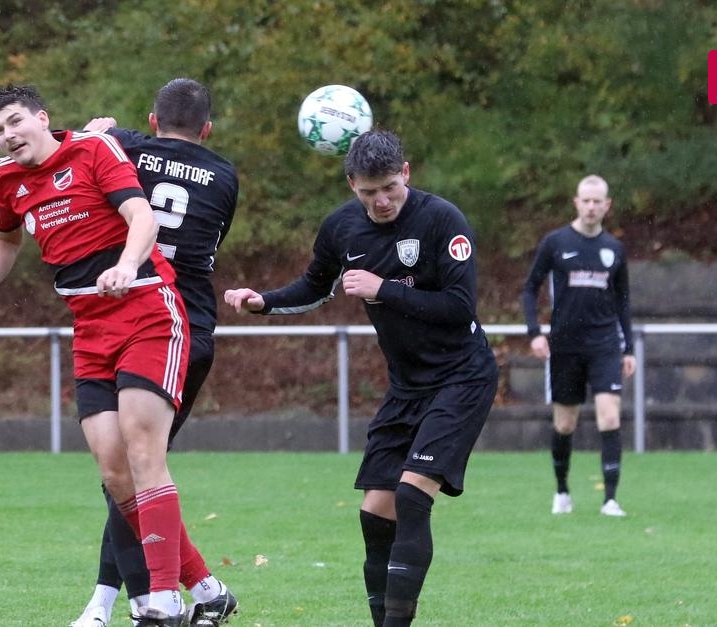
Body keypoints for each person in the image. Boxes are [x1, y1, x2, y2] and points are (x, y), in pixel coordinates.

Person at [0, 84, 218, 627]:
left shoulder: (93, 150)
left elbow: (142, 218)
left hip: (148, 309)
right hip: (89, 328)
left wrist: (128, 263)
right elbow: (3, 237)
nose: (8, 136)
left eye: (15, 123)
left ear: (42, 119)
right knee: (112, 467)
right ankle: (203, 583)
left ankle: (164, 603)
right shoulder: (4, 179)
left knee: (143, 447)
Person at [224, 130, 498, 627]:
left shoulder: (442, 220)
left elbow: (460, 309)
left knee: (412, 496)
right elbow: (314, 286)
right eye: (369, 191)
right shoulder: (342, 229)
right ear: (352, 184)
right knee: (376, 514)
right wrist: (264, 300)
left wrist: (384, 290)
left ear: (407, 173)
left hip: (462, 375)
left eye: (390, 187)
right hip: (407, 386)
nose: (382, 200)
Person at [70, 78, 239, 627]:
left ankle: (139, 603)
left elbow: (89, 156)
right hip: (196, 327)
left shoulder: (120, 147)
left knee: (139, 467)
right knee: (127, 469)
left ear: (150, 117)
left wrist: (104, 132)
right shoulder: (225, 176)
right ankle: (202, 590)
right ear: (207, 130)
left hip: (153, 320)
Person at [519, 174, 637, 518]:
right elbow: (530, 288)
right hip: (565, 346)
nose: (590, 206)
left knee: (610, 415)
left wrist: (628, 348)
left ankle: (610, 499)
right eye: (585, 200)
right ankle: (562, 491)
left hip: (604, 344)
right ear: (576, 202)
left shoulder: (614, 249)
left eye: (597, 201)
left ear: (607, 205)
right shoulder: (555, 242)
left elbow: (623, 302)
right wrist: (535, 332)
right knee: (565, 424)